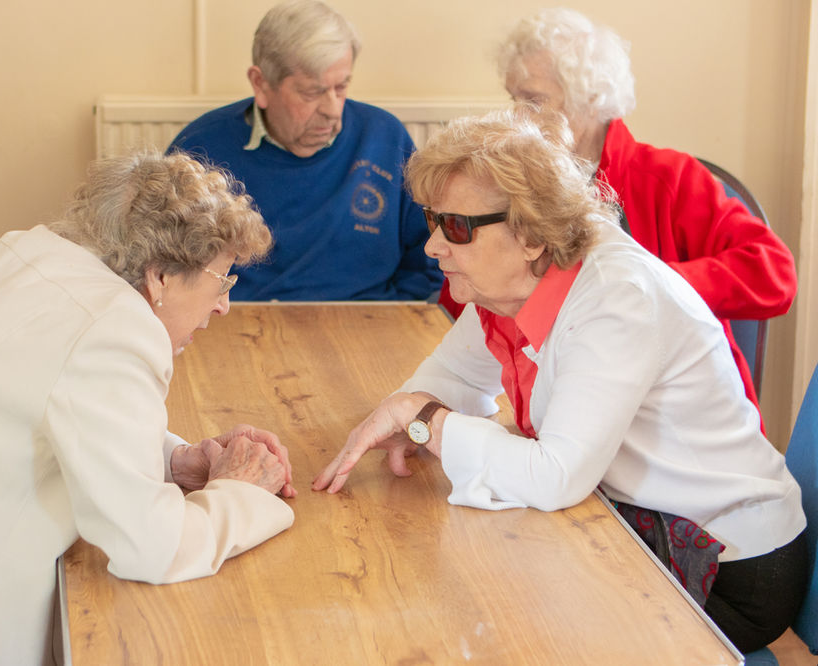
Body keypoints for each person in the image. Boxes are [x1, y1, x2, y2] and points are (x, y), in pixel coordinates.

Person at [313, 108, 808, 654]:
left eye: (455, 227)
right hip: (624, 524)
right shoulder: (514, 278)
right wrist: (411, 415)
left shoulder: (617, 298)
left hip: (724, 566)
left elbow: (556, 476)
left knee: (485, 627)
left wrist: (426, 421)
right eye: (432, 219)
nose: (433, 246)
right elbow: (450, 377)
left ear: (529, 234)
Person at [0, 150, 297, 665]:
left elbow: (43, 401)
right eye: (221, 280)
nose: (224, 303)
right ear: (159, 277)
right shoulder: (117, 329)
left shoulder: (29, 253)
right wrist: (239, 493)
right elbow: (150, 547)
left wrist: (174, 462)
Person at [439, 8, 797, 424]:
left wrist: (643, 286)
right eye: (513, 99)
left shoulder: (669, 178)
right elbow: (465, 316)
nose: (519, 117)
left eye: (534, 101)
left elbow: (773, 273)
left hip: (673, 422)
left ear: (592, 99)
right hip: (557, 407)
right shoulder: (512, 187)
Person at [169, 0, 441, 301]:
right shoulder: (201, 151)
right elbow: (167, 273)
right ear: (260, 83)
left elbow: (429, 262)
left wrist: (397, 316)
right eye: (312, 92)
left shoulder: (385, 138)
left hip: (368, 322)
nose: (332, 109)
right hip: (242, 324)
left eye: (342, 87)